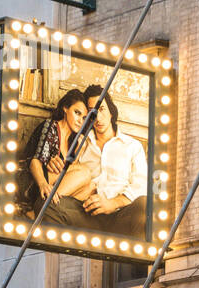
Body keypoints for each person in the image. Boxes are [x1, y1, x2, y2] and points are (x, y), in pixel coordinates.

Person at [43, 85, 148, 237]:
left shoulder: (132, 146)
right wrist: (53, 162)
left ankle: (136, 259)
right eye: (92, 112)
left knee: (144, 205)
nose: (98, 118)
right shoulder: (80, 142)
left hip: (120, 214)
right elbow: (66, 173)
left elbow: (141, 186)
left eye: (102, 109)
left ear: (111, 111)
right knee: (48, 206)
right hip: (85, 213)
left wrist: (112, 204)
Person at [20, 89, 96, 215]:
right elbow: (35, 161)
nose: (80, 121)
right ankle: (42, 208)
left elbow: (70, 175)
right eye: (77, 113)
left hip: (52, 185)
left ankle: (41, 212)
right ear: (65, 108)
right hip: (33, 182)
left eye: (84, 118)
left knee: (90, 187)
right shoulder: (51, 126)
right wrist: (43, 184)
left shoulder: (73, 141)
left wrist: (79, 150)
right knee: (85, 172)